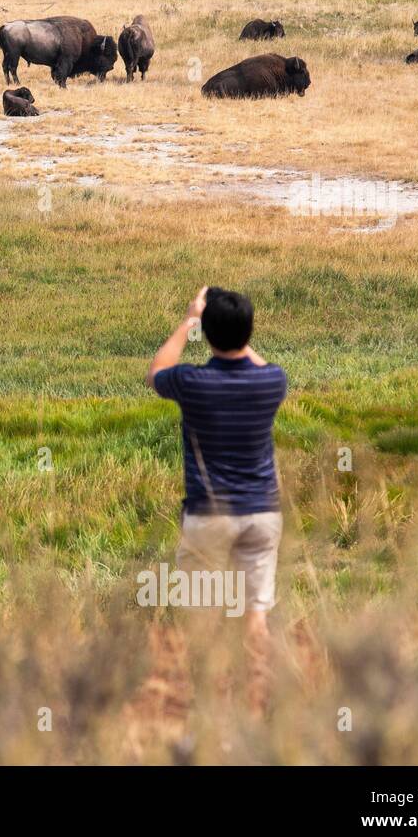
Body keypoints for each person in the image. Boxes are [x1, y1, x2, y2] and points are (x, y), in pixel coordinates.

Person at [146, 286, 288, 710]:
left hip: (210, 515)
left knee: (202, 614)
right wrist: (236, 333)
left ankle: (208, 701)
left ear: (206, 334)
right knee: (255, 614)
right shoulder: (271, 381)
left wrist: (191, 319)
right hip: (263, 513)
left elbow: (156, 371)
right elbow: (257, 361)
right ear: (248, 332)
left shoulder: (193, 382)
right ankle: (259, 699)